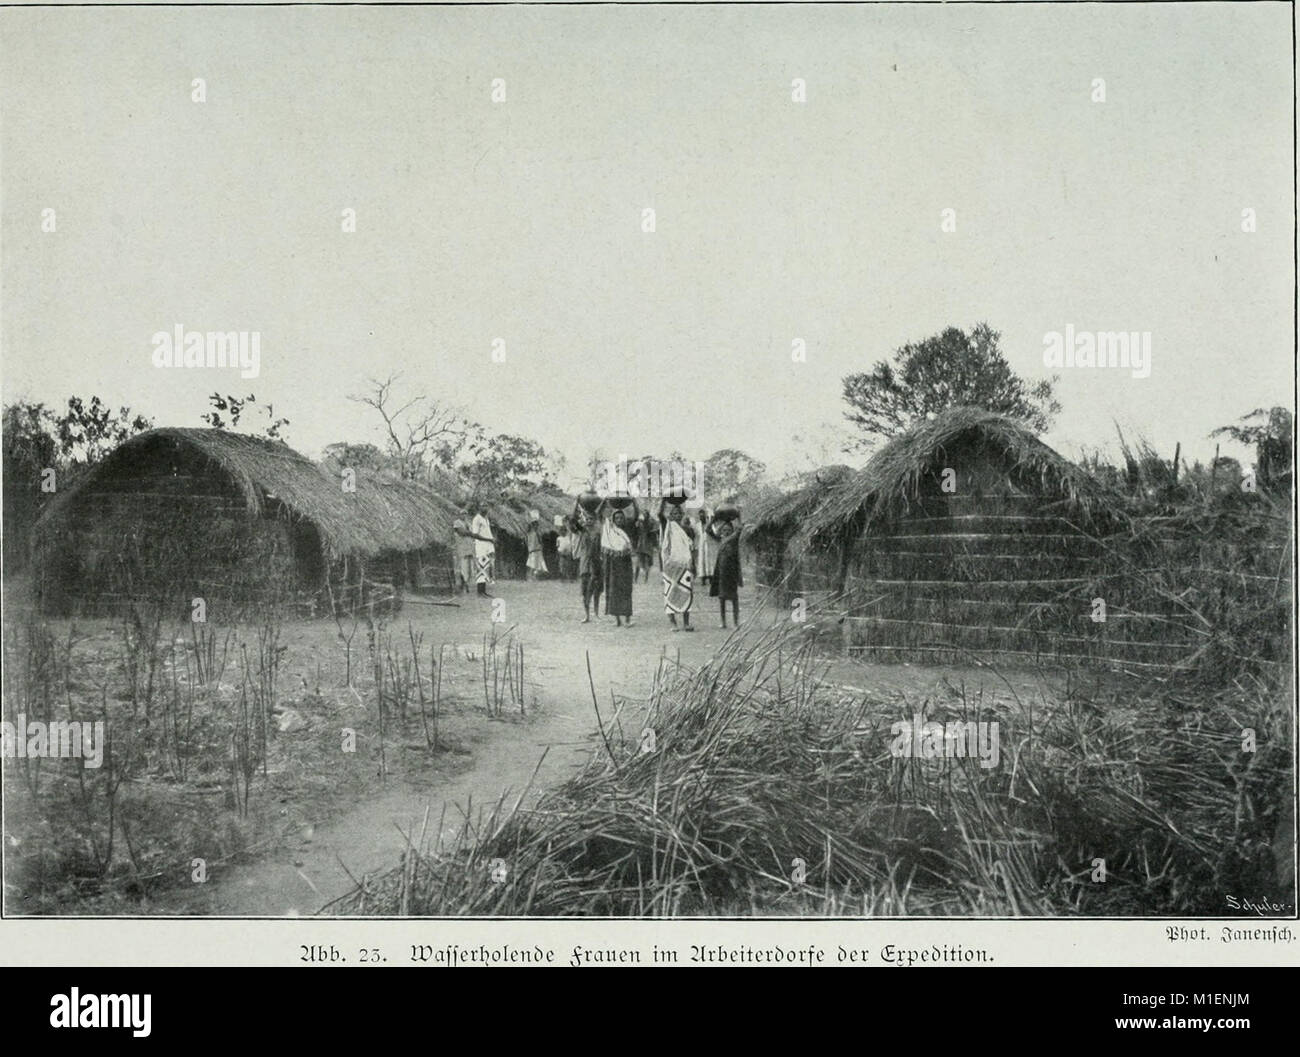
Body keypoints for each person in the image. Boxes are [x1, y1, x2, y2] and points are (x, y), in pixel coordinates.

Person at [658, 499, 696, 631]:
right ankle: (673, 623)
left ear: (682, 515)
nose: (677, 516)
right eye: (674, 514)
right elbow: (659, 514)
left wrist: (693, 566)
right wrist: (664, 500)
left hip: (685, 566)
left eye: (679, 513)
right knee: (670, 592)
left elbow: (690, 550)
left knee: (686, 592)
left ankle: (686, 623)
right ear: (670, 515)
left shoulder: (686, 529)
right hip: (670, 566)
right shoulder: (666, 526)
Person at [601, 508, 635, 627]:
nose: (619, 520)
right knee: (613, 590)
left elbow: (636, 514)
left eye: (621, 518)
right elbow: (600, 513)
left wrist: (633, 501)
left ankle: (627, 619)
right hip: (613, 565)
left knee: (626, 590)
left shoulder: (628, 530)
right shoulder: (610, 531)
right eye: (617, 518)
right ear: (613, 520)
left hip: (625, 564)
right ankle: (617, 620)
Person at [708, 517, 743, 628]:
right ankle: (723, 622)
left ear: (732, 531)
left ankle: (736, 622)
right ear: (721, 532)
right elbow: (708, 530)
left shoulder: (734, 539)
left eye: (728, 530)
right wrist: (714, 519)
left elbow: (739, 529)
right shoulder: (720, 540)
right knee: (722, 598)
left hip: (732, 572)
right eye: (724, 530)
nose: (726, 532)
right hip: (721, 573)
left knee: (734, 599)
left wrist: (737, 517)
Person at [576, 508, 604, 622]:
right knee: (584, 591)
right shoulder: (582, 531)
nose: (589, 521)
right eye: (587, 519)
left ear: (595, 520)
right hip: (585, 564)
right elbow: (574, 521)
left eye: (591, 519)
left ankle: (596, 614)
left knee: (596, 590)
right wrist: (577, 505)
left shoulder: (598, 533)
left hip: (596, 563)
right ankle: (586, 615)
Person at [470, 503, 496, 597]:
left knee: (485, 567)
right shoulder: (477, 519)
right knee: (481, 568)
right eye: (483, 506)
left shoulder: (486, 518)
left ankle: (483, 591)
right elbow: (475, 534)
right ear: (479, 508)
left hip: (487, 546)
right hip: (481, 546)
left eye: (486, 506)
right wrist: (489, 539)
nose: (485, 508)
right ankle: (479, 592)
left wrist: (490, 540)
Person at [451, 510, 476, 593]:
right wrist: (470, 533)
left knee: (469, 567)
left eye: (465, 514)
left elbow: (472, 533)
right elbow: (462, 532)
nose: (464, 516)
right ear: (459, 515)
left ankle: (467, 584)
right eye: (462, 514)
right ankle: (461, 584)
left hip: (469, 548)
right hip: (461, 548)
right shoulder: (457, 523)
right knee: (461, 566)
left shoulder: (468, 523)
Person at [695, 506, 718, 589]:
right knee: (701, 561)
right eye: (700, 516)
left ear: (705, 516)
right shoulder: (697, 525)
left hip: (709, 544)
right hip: (701, 545)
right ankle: (703, 578)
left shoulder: (710, 525)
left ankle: (711, 577)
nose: (701, 517)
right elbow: (696, 536)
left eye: (703, 516)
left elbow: (715, 533)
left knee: (709, 560)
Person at [525, 512, 549, 581]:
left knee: (538, 566)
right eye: (535, 525)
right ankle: (530, 577)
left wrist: (541, 548)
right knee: (532, 565)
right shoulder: (530, 534)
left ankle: (534, 577)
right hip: (532, 551)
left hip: (537, 551)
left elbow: (540, 542)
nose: (536, 526)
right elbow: (528, 542)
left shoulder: (536, 533)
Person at [634, 511, 657, 583]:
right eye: (644, 514)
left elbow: (653, 532)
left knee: (645, 562)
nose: (644, 515)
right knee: (638, 563)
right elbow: (636, 529)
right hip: (642, 545)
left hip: (646, 545)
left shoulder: (649, 523)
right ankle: (636, 579)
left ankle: (644, 580)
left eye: (645, 514)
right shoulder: (641, 523)